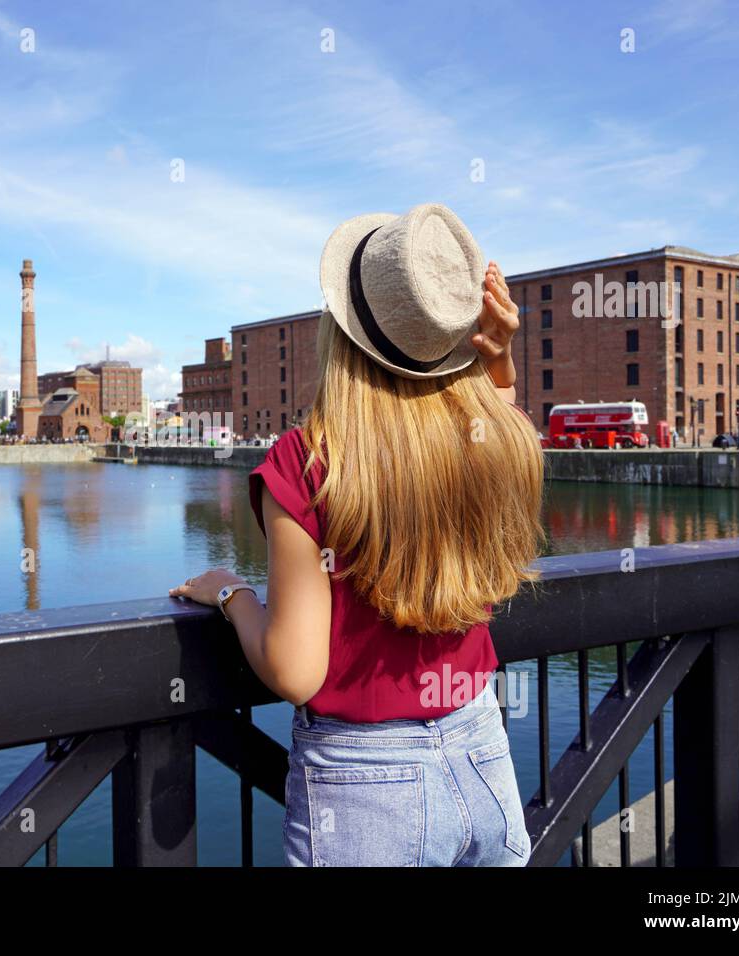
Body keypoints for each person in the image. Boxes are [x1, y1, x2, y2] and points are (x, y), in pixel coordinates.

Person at [171, 203, 543, 867]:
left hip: (365, 782)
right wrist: (498, 360)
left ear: (340, 332)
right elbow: (497, 421)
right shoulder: (499, 443)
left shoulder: (306, 461)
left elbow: (295, 668)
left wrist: (231, 594)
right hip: (483, 749)